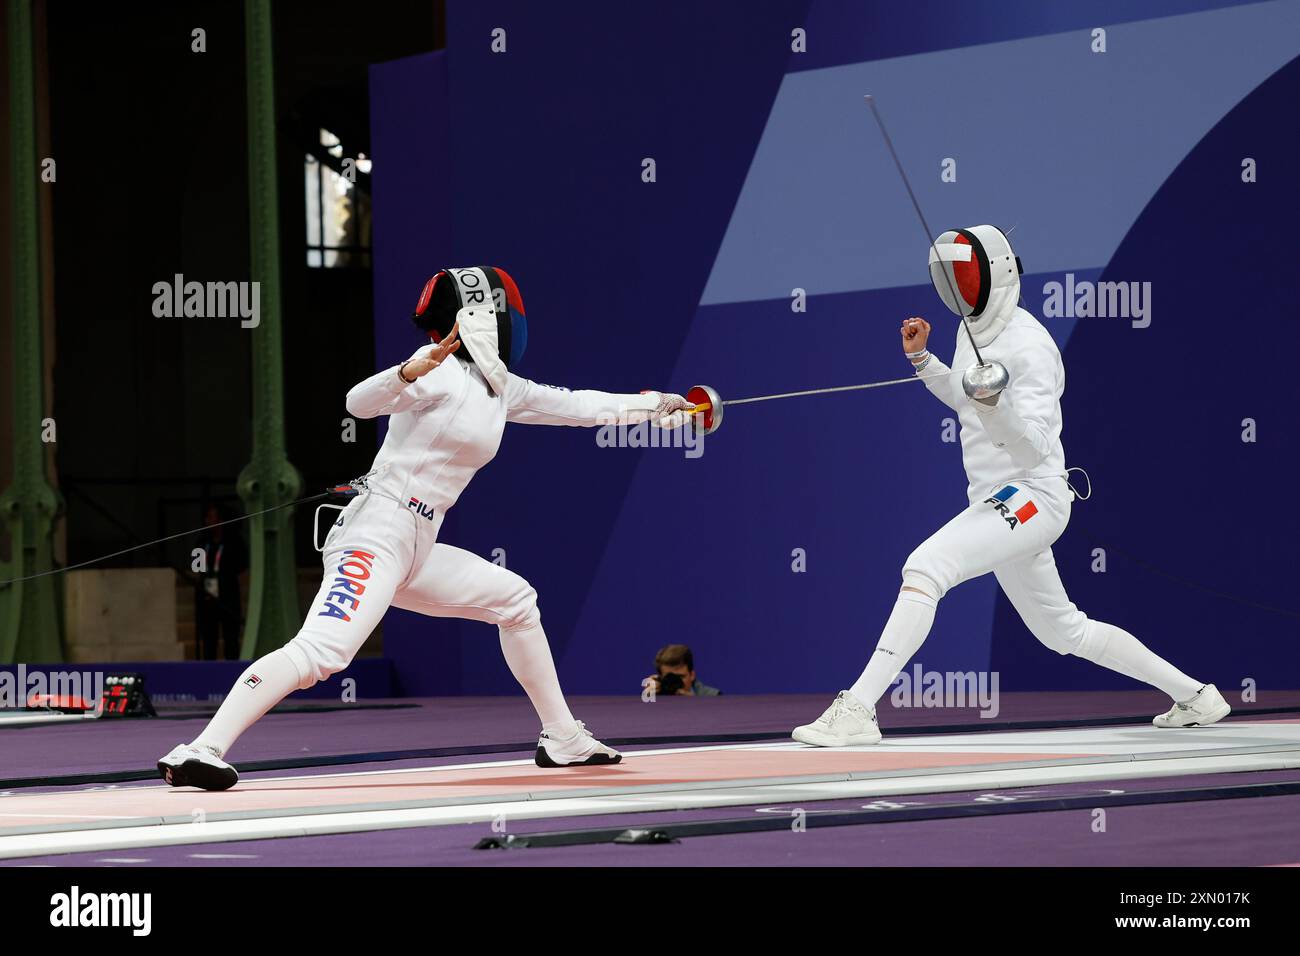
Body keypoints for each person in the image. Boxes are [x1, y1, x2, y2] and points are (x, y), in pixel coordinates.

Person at [159, 266, 693, 789]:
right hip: (374, 534)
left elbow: (579, 406)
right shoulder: (437, 372)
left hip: (419, 543)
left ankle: (563, 738)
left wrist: (660, 407)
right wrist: (412, 369)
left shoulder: (500, 388)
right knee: (324, 652)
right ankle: (200, 749)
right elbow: (357, 403)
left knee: (516, 601)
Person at [793, 226, 1228, 747]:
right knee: (1065, 632)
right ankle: (1197, 696)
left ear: (993, 275)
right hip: (996, 502)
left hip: (1033, 495)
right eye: (948, 280)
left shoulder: (1031, 346)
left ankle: (858, 709)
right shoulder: (969, 329)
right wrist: (923, 361)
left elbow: (1036, 446)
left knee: (927, 566)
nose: (957, 290)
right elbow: (964, 396)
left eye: (964, 278)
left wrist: (995, 407)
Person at [194, 503, 248, 661]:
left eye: (213, 517)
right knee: (209, 641)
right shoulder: (202, 542)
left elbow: (242, 565)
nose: (210, 520)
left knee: (231, 638)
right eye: (208, 517)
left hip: (228, 595)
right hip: (207, 597)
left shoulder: (234, 541)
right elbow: (197, 568)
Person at [645, 643, 721, 697]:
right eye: (670, 677)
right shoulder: (656, 696)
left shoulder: (713, 697)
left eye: (680, 677)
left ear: (692, 675)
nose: (675, 682)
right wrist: (649, 697)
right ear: (660, 677)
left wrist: (695, 703)